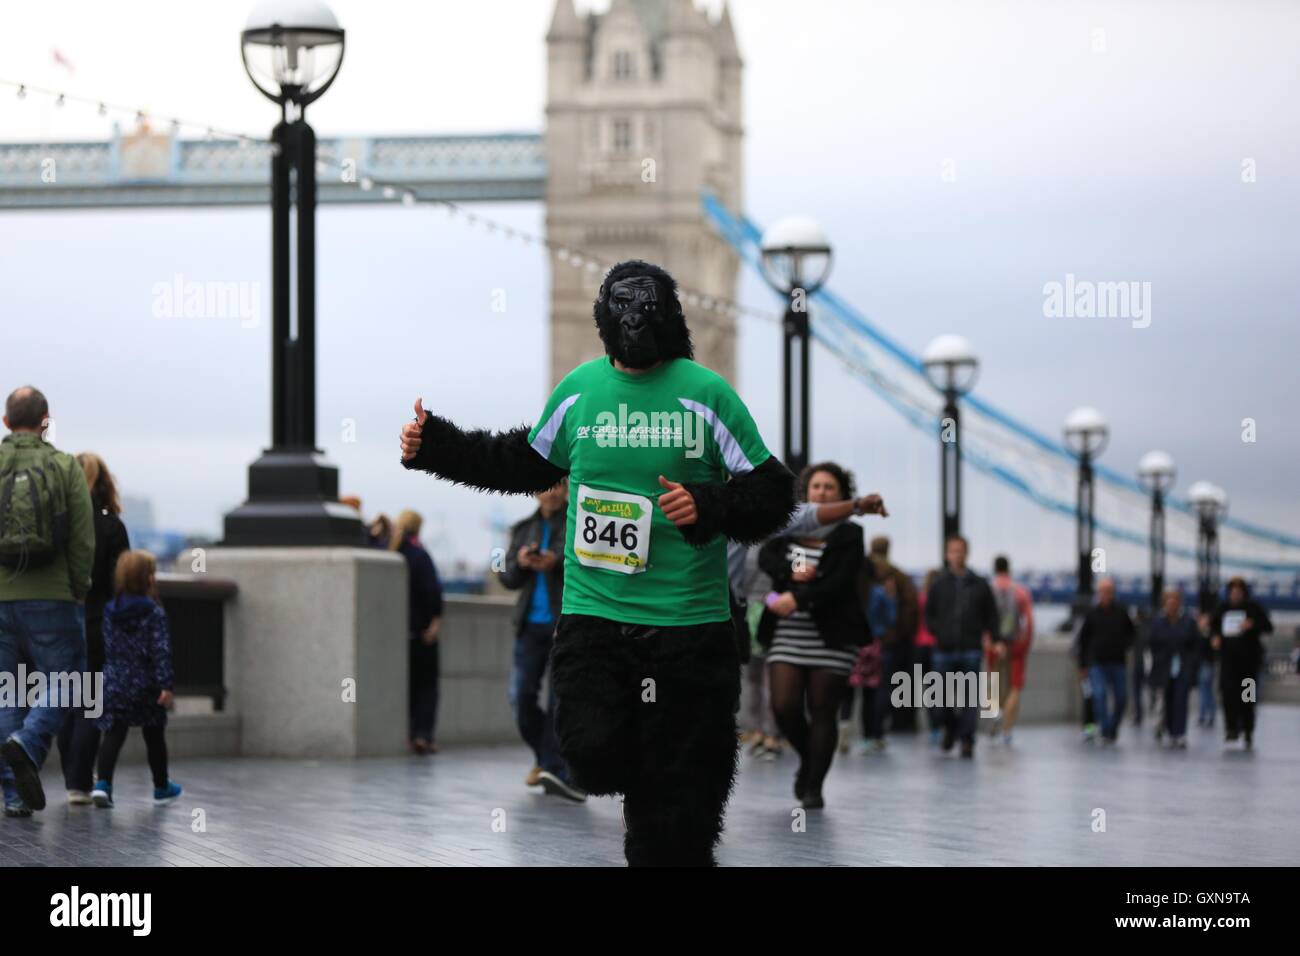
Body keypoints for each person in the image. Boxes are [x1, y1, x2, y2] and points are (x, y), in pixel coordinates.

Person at [401, 260, 796, 866]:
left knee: (677, 830)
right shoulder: (580, 391)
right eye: (623, 311)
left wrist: (708, 504)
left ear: (667, 318)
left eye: (646, 311)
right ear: (604, 320)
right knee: (592, 752)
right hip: (595, 620)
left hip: (688, 630)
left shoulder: (707, 393)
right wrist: (438, 445)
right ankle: (652, 775)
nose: (634, 323)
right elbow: (518, 461)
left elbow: (772, 493)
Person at [0, 386, 95, 816]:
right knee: (68, 679)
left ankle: (15, 794)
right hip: (53, 594)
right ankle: (30, 741)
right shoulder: (63, 466)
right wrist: (79, 586)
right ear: (46, 421)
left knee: (7, 691)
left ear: (5, 422)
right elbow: (81, 538)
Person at [757, 462, 871, 809]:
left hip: (832, 634)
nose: (822, 492)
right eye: (816, 487)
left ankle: (813, 787)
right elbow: (766, 557)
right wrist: (792, 572)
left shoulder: (849, 535)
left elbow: (839, 581)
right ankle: (810, 757)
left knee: (824, 710)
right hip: (788, 631)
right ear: (806, 493)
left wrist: (800, 596)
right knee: (784, 706)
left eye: (829, 487)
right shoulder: (787, 528)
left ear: (841, 494)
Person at [497, 479, 585, 801]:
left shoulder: (577, 520)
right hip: (529, 626)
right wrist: (520, 563)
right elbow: (505, 577)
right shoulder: (522, 528)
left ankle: (551, 765)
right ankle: (548, 760)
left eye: (557, 486)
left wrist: (555, 561)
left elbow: (583, 562)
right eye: (545, 486)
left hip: (564, 625)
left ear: (565, 489)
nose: (551, 492)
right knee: (519, 696)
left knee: (558, 702)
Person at [56, 453, 130, 805]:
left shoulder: (61, 521)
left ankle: (73, 775)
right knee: (91, 700)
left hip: (59, 617)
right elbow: (122, 582)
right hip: (98, 621)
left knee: (66, 697)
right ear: (104, 483)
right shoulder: (111, 525)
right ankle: (80, 782)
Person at [91, 550, 181, 806]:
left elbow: (107, 645)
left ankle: (103, 784)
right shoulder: (154, 612)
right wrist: (166, 684)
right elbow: (160, 650)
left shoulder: (110, 610)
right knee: (154, 735)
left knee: (113, 734)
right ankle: (161, 786)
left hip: (116, 680)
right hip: (146, 683)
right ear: (150, 579)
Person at [924, 535, 997, 758]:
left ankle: (966, 739)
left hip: (970, 648)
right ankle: (950, 727)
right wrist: (939, 632)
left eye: (960, 551)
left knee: (968, 697)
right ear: (947, 554)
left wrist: (995, 638)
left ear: (967, 553)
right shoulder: (939, 584)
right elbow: (929, 614)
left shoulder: (979, 584)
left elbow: (991, 615)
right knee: (939, 697)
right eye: (952, 551)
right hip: (944, 649)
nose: (956, 555)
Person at [391, 510, 444, 754]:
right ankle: (422, 735)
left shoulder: (391, 553)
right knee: (426, 686)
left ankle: (404, 732)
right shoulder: (419, 555)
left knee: (406, 685)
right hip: (421, 632)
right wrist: (435, 621)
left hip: (397, 632)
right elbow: (431, 591)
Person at [862, 535, 918, 749]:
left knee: (862, 689)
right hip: (891, 640)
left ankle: (859, 728)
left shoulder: (862, 574)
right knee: (884, 686)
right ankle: (879, 731)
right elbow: (910, 608)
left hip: (862, 639)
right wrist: (902, 634)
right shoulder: (898, 576)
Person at [1210, 577, 1273, 750]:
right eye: (1233, 591)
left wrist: (1252, 625)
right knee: (1228, 695)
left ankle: (1247, 730)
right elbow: (1213, 628)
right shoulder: (1222, 609)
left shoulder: (1253, 608)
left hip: (1249, 665)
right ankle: (1231, 728)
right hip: (1228, 664)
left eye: (1239, 591)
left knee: (1248, 698)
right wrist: (1215, 637)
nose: (1236, 594)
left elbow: (1268, 626)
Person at [1076, 577, 1136, 745]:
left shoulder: (1122, 612)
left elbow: (1132, 633)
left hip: (1118, 662)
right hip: (1097, 663)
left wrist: (1125, 645)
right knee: (1099, 695)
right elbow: (1083, 640)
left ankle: (1112, 727)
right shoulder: (1092, 614)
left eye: (1108, 592)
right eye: (1102, 591)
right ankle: (1104, 729)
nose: (1105, 595)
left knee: (1121, 698)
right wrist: (1083, 665)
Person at [987, 555, 1034, 746]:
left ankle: (995, 712)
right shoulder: (1020, 592)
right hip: (1015, 644)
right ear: (1009, 568)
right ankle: (1007, 730)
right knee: (1015, 686)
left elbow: (983, 620)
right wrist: (1024, 644)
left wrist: (989, 642)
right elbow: (1029, 622)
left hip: (993, 643)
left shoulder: (989, 590)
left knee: (993, 681)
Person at [1146, 588, 1199, 749]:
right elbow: (1151, 643)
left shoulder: (1188, 621)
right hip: (1164, 667)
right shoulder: (1157, 622)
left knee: (1181, 699)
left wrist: (1191, 664)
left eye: (1175, 601)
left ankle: (1180, 732)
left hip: (1182, 666)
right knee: (1168, 699)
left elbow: (1195, 645)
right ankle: (1170, 730)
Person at [914, 569, 942, 745]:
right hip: (937, 645)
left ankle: (934, 726)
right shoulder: (941, 600)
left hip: (920, 646)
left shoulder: (920, 599)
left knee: (927, 689)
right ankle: (941, 723)